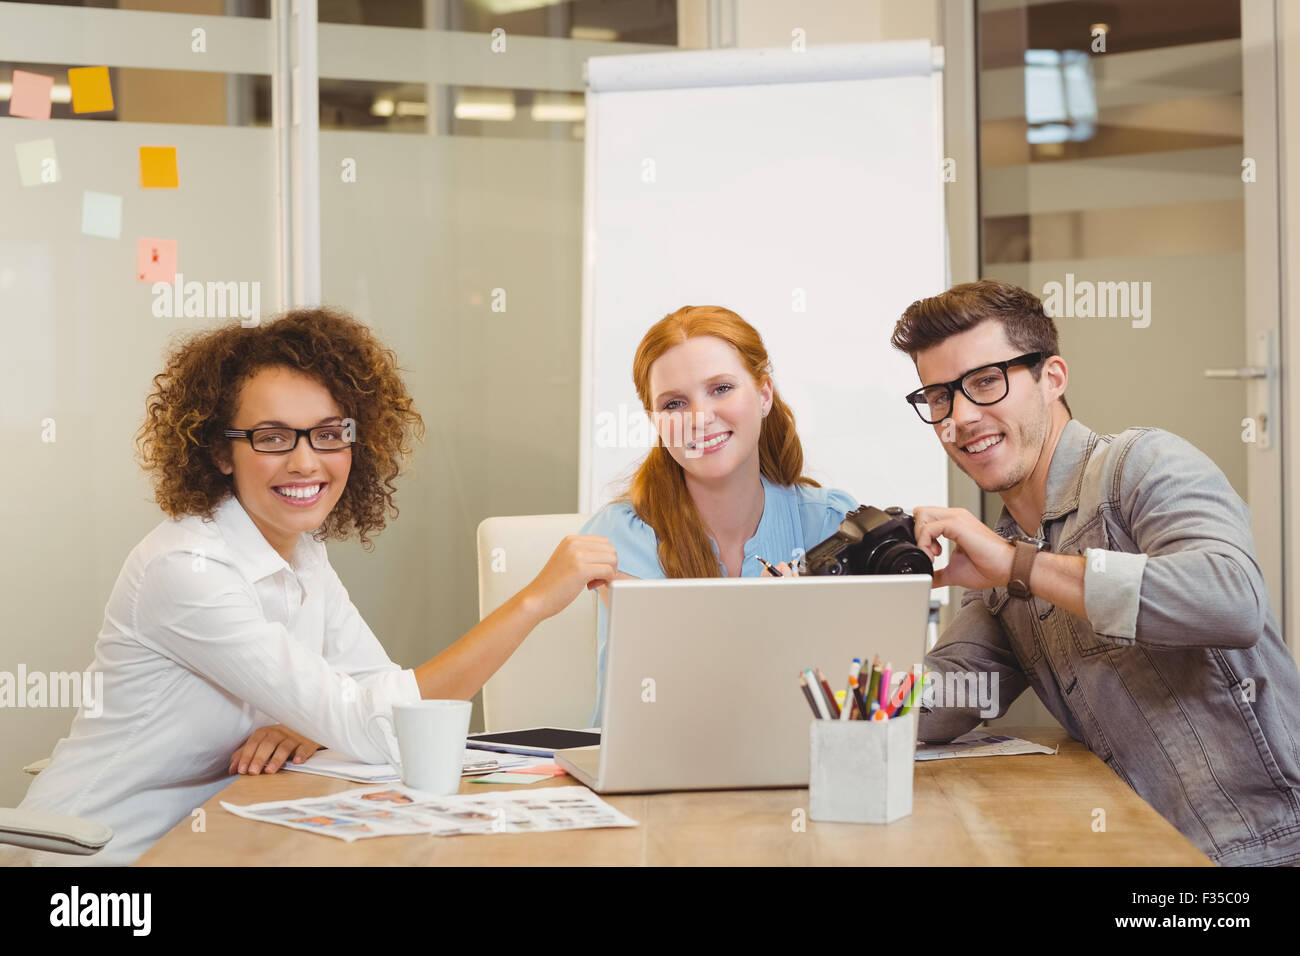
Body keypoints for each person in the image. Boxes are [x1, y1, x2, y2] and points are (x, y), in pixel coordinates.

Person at [13, 307, 616, 866]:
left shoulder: (302, 554)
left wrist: (308, 722)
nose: (306, 462)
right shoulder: (186, 570)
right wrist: (533, 603)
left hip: (215, 841)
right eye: (273, 437)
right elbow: (385, 724)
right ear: (222, 452)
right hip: (98, 862)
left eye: (329, 434)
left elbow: (382, 695)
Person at [894, 279, 1300, 867]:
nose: (960, 417)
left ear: (1052, 377)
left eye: (986, 382)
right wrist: (844, 616)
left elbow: (1231, 600)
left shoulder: (1142, 465)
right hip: (1145, 856)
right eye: (939, 396)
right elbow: (946, 701)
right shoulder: (1004, 558)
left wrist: (1016, 566)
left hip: (1266, 851)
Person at [580, 305, 857, 726]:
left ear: (764, 394)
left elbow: (855, 698)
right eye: (674, 403)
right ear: (655, 421)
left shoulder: (831, 525)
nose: (699, 419)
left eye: (721, 388)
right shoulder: (616, 538)